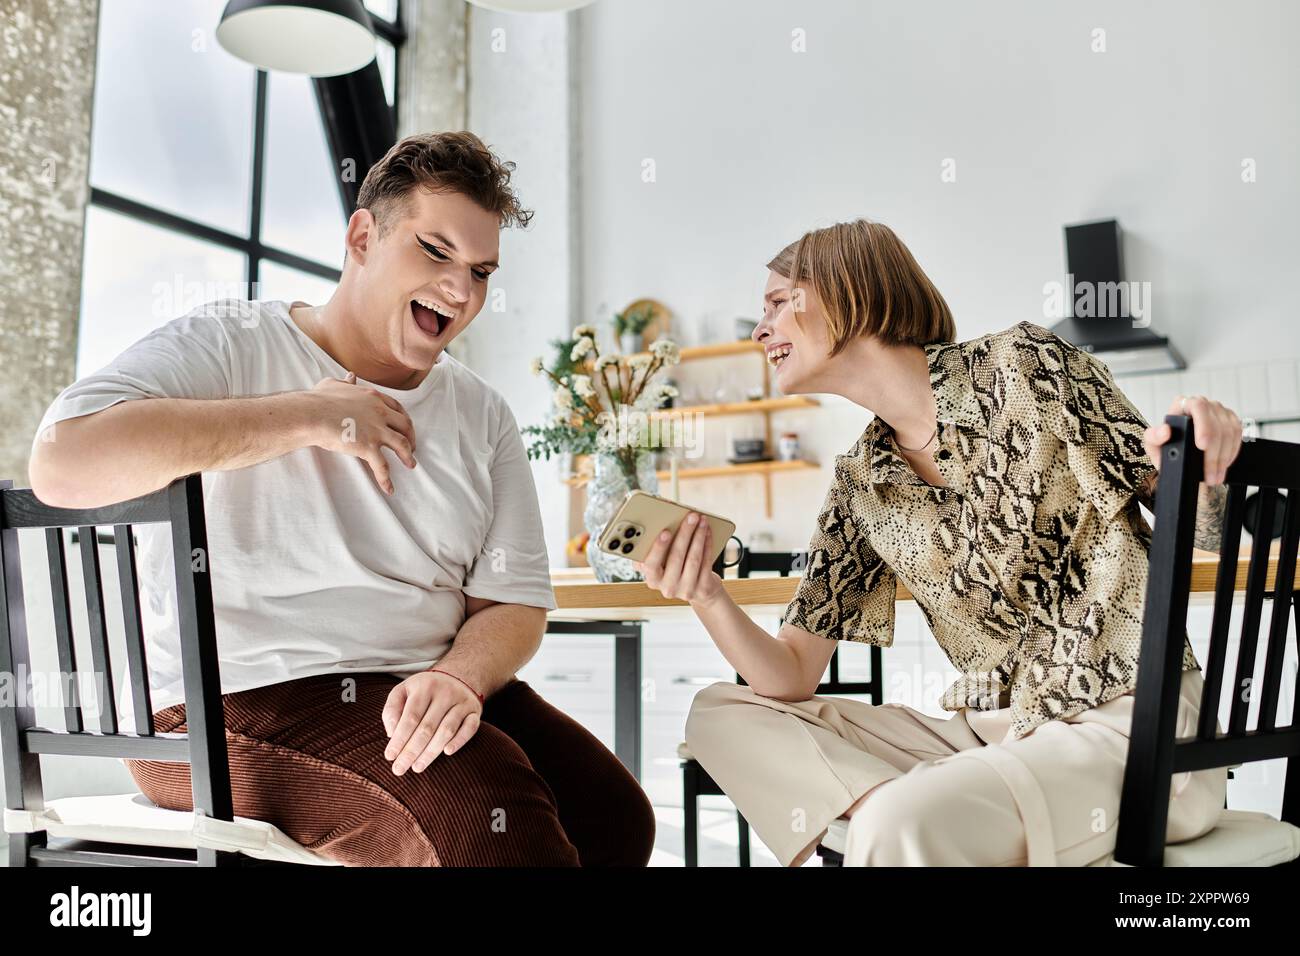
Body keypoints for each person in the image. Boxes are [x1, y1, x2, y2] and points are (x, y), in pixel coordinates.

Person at [28, 131, 655, 867]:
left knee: (613, 819)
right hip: (230, 703)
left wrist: (457, 676)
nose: (461, 291)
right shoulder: (232, 343)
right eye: (435, 251)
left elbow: (512, 605)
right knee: (489, 820)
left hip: (419, 679)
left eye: (481, 271)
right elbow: (60, 464)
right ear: (363, 236)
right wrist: (308, 416)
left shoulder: (483, 414)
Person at [634, 218, 1243, 867]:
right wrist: (707, 595)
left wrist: (1212, 454)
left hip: (1132, 728)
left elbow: (1201, 527)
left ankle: (907, 819)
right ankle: (910, 816)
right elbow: (791, 674)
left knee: (901, 819)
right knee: (718, 713)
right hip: (992, 739)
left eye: (779, 303)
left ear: (848, 291)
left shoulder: (1027, 366)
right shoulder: (860, 481)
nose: (760, 329)